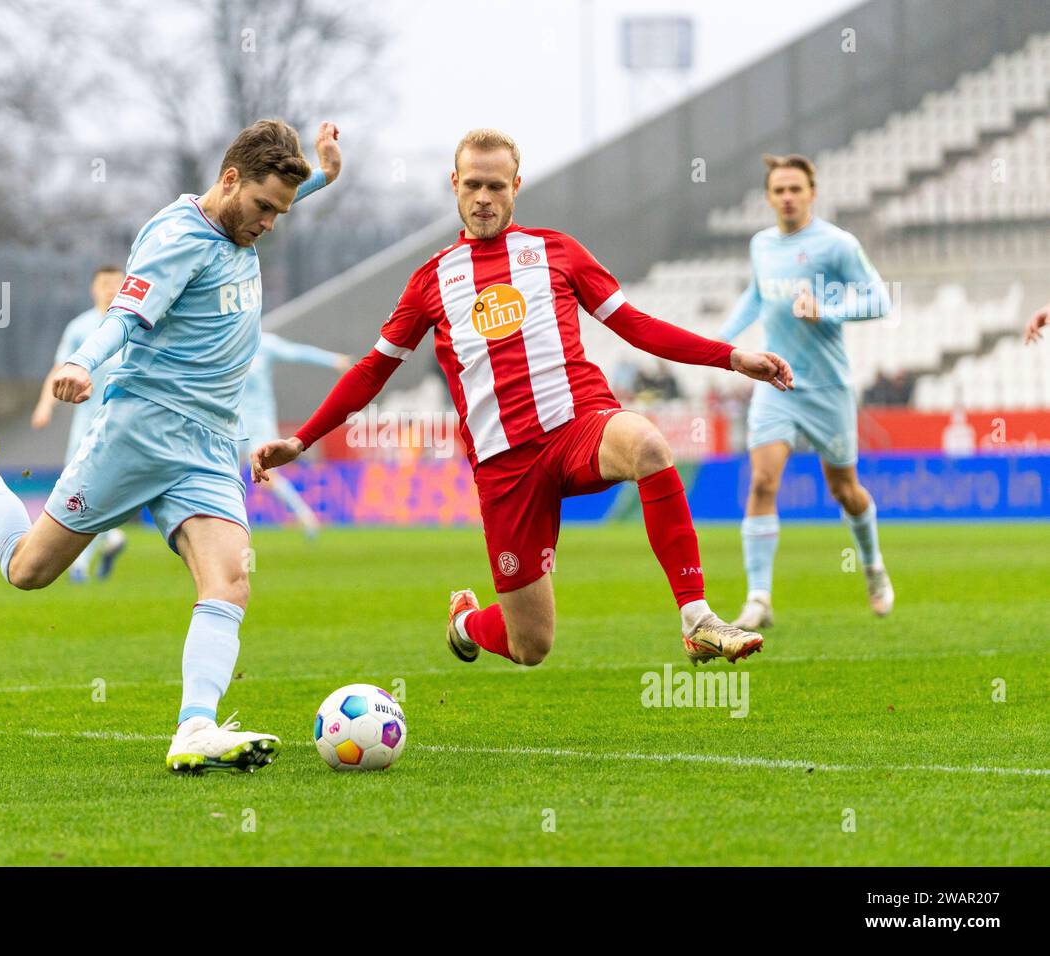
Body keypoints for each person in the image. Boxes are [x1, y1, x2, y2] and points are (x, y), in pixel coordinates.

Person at [253, 128, 794, 669]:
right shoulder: (430, 282)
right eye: (472, 185)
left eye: (495, 185)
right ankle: (466, 622)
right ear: (454, 185)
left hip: (577, 426)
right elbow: (373, 371)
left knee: (649, 445)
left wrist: (731, 357)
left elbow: (637, 326)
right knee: (530, 645)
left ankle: (697, 619)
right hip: (505, 466)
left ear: (516, 186)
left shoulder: (556, 252)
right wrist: (302, 440)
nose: (483, 197)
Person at [0, 120, 341, 773]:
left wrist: (326, 176)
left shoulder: (242, 214)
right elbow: (128, 314)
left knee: (229, 581)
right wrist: (81, 363)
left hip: (212, 442)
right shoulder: (177, 240)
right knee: (29, 570)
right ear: (230, 181)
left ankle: (195, 726)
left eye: (280, 211)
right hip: (143, 430)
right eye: (264, 208)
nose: (270, 224)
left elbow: (273, 201)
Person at [718, 154, 894, 629]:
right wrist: (719, 343)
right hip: (777, 380)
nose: (788, 197)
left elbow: (880, 298)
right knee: (761, 481)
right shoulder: (761, 245)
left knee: (844, 489)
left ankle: (873, 566)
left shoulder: (837, 244)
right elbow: (757, 294)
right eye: (779, 190)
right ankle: (759, 597)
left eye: (796, 189)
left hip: (829, 388)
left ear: (812, 193)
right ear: (769, 197)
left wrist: (827, 309)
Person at [30, 264, 129, 581]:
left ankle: (87, 558)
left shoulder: (135, 324)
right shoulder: (80, 327)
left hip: (124, 424)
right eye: (105, 284)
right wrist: (45, 406)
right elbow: (59, 370)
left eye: (117, 283)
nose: (111, 289)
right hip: (86, 426)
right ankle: (107, 541)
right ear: (94, 289)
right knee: (79, 488)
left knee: (89, 490)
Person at [239, 331, 350, 537]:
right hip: (232, 423)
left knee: (265, 475)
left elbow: (297, 353)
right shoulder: (228, 341)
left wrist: (332, 360)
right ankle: (223, 523)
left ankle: (306, 517)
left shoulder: (264, 342)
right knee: (224, 473)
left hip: (260, 424)